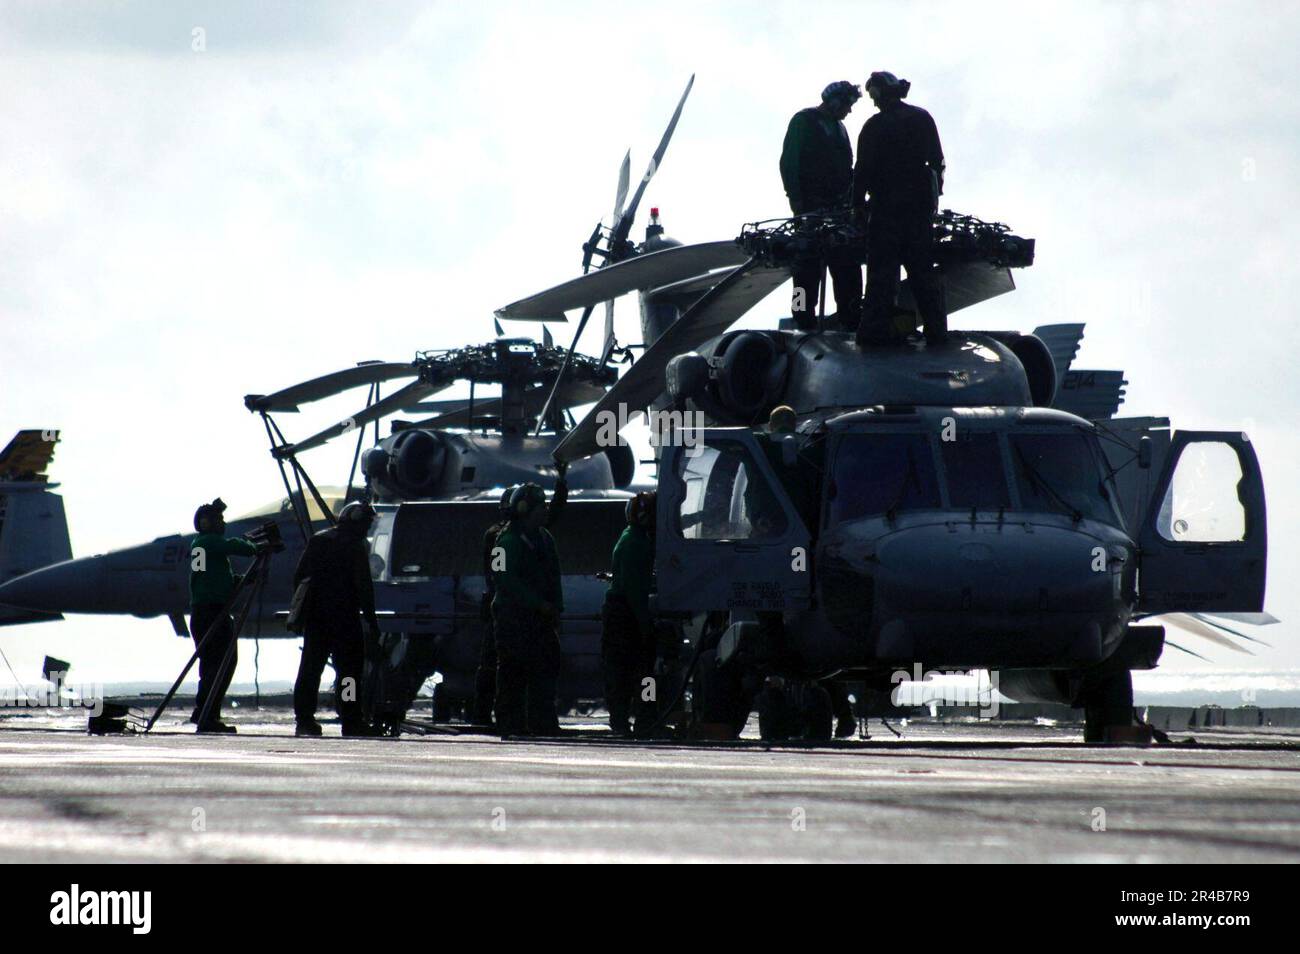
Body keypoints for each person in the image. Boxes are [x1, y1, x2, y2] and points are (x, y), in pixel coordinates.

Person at [852, 71, 947, 347]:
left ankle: (873, 334)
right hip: (919, 214)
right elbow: (937, 162)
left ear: (881, 93)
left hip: (886, 214)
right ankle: (937, 332)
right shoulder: (922, 118)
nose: (873, 102)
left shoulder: (875, 126)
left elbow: (863, 171)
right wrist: (931, 199)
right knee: (923, 274)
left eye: (873, 96)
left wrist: (857, 205)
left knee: (881, 276)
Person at [472, 471, 567, 729]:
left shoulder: (544, 538)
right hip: (512, 618)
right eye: (540, 506)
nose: (545, 511)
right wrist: (539, 604)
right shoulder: (505, 542)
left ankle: (543, 722)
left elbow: (554, 575)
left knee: (546, 668)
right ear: (525, 509)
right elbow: (503, 579)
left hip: (540, 618)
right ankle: (509, 722)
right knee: (512, 671)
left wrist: (556, 607)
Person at [779, 80, 865, 331]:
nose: (849, 111)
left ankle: (850, 315)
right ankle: (801, 316)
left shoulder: (840, 129)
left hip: (839, 213)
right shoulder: (804, 121)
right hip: (810, 211)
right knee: (804, 272)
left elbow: (848, 169)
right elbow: (790, 162)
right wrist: (798, 202)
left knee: (847, 267)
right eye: (847, 105)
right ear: (834, 101)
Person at [292, 501, 382, 737]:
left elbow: (300, 578)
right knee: (350, 674)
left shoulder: (318, 540)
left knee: (310, 670)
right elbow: (364, 588)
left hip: (316, 618)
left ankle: (304, 720)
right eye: (366, 523)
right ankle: (351, 719)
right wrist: (372, 622)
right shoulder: (355, 546)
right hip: (345, 619)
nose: (367, 528)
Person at [188, 497, 257, 734]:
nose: (222, 523)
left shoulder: (201, 545)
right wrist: (255, 545)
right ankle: (208, 715)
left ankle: (203, 711)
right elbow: (239, 548)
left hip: (204, 612)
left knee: (211, 665)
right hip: (211, 613)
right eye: (218, 519)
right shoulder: (208, 542)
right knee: (222, 664)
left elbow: (212, 580)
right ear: (207, 523)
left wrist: (239, 581)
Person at [601, 492, 658, 737]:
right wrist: (645, 624)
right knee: (645, 671)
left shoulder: (631, 537)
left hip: (620, 612)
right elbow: (636, 591)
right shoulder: (637, 544)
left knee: (620, 672)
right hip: (627, 615)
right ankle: (643, 719)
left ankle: (623, 720)